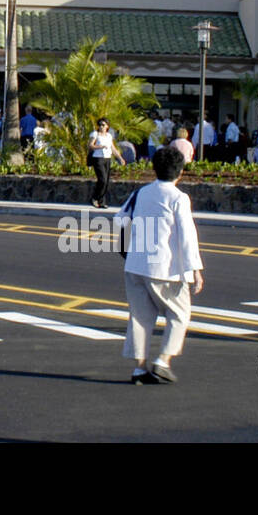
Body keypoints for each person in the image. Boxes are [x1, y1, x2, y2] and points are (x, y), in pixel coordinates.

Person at [120, 144, 204, 384]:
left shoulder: (140, 193)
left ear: (154, 168)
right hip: (165, 268)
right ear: (180, 172)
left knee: (140, 316)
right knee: (179, 314)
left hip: (136, 265)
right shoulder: (179, 198)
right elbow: (187, 236)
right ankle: (163, 361)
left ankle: (139, 369)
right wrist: (195, 269)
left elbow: (120, 219)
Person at [88, 117, 125, 208]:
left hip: (107, 158)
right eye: (99, 124)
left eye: (103, 125)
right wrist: (99, 146)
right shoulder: (95, 134)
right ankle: (95, 197)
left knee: (106, 181)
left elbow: (113, 148)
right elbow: (90, 145)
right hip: (98, 158)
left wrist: (120, 158)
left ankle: (101, 202)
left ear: (107, 126)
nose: (101, 126)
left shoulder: (109, 136)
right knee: (102, 180)